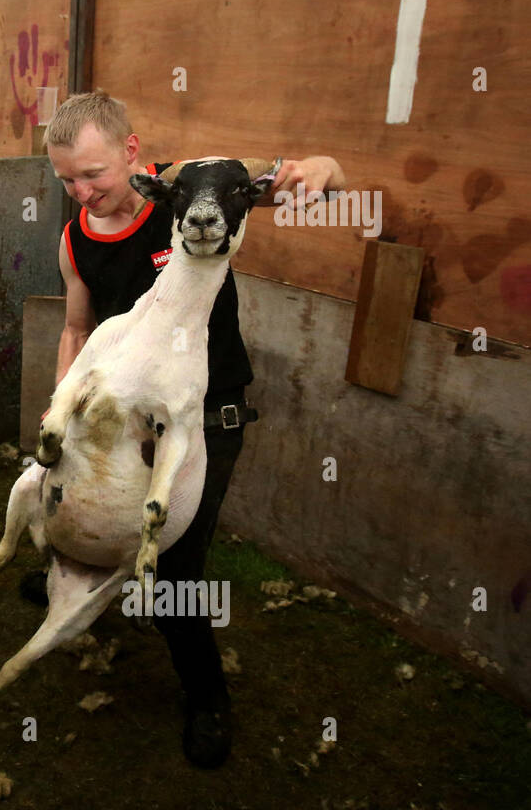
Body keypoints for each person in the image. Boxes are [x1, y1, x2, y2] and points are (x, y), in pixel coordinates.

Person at [40, 90, 346, 768]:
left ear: (132, 154)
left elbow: (312, 171)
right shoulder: (74, 239)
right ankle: (65, 566)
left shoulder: (194, 192)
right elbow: (75, 327)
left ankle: (207, 696)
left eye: (93, 173)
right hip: (118, 410)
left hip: (205, 415)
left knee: (175, 563)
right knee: (61, 492)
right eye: (65, 179)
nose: (81, 191)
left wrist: (322, 169)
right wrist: (60, 402)